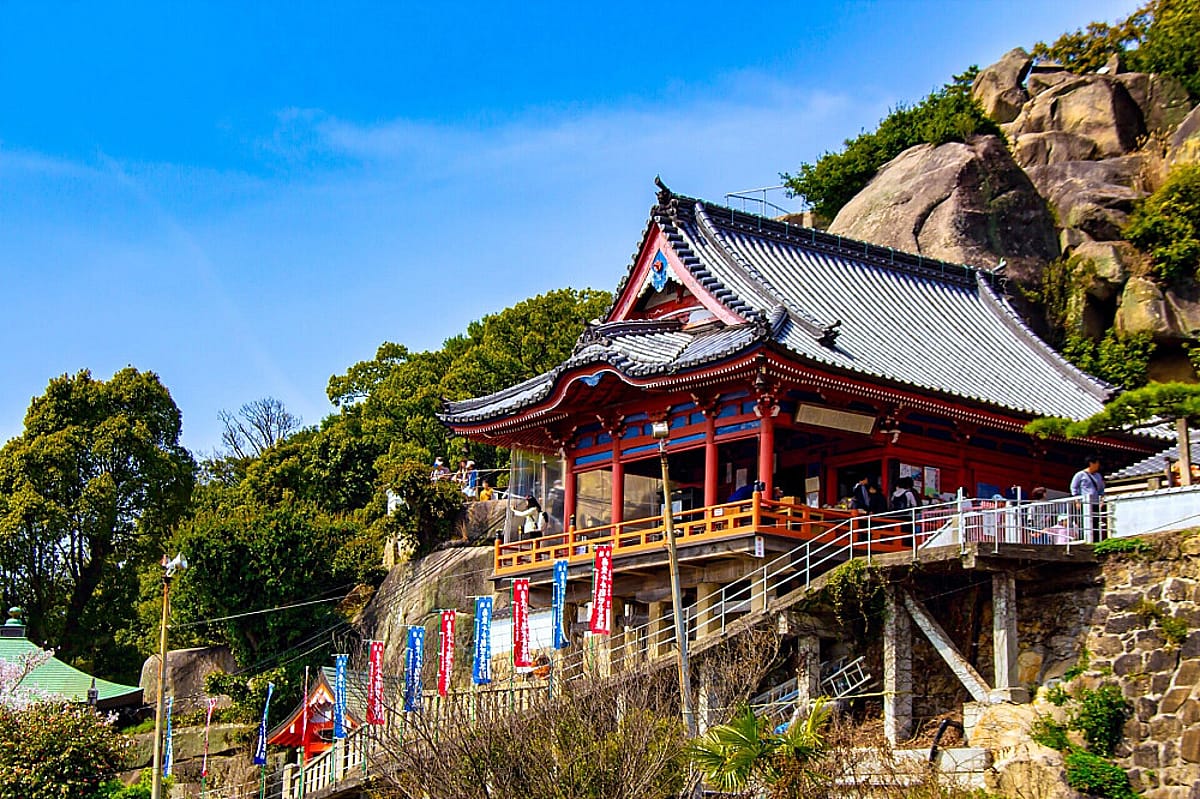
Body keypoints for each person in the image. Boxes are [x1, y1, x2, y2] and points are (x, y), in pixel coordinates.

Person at [1070, 455, 1106, 540]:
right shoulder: (1080, 475)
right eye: (1097, 463)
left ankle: (1096, 539)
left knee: (1096, 521)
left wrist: (1101, 500)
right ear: (1091, 463)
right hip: (1085, 503)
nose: (1098, 465)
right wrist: (1077, 501)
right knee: (1085, 521)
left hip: (1095, 502)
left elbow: (1101, 489)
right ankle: (1085, 538)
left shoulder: (1098, 476)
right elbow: (1073, 488)